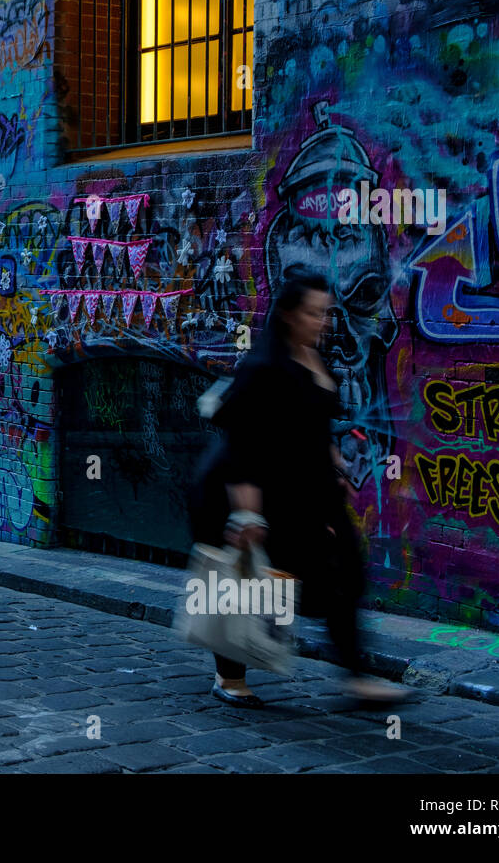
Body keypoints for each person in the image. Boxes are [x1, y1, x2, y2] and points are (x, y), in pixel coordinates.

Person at [189, 270, 411, 706]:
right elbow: (242, 445)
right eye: (313, 312)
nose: (323, 321)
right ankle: (230, 677)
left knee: (345, 569)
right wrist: (247, 514)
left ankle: (355, 676)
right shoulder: (264, 367)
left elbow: (311, 422)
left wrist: (333, 461)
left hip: (302, 488)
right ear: (289, 315)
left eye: (326, 312)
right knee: (244, 582)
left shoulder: (315, 357)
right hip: (247, 487)